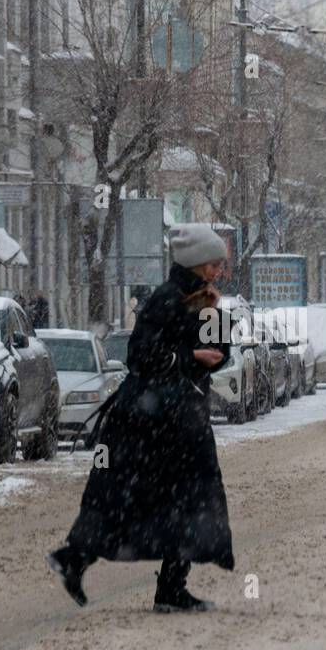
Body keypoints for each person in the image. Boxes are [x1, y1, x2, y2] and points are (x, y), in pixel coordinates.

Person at [46, 223, 234, 613]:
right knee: (134, 498)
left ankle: (168, 586)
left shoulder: (207, 301)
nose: (220, 271)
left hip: (182, 421)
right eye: (216, 264)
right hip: (148, 422)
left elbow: (218, 353)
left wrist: (214, 320)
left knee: (188, 501)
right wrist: (187, 358)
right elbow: (140, 358)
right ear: (198, 263)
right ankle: (79, 559)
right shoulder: (166, 299)